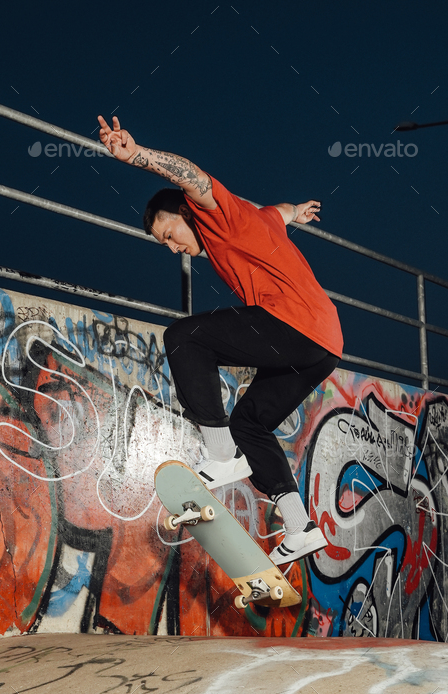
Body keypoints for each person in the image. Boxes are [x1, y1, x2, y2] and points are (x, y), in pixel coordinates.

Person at [98, 115, 343, 565]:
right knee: (251, 422)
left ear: (185, 214)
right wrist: (297, 211)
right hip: (324, 346)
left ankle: (220, 454)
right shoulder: (260, 219)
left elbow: (191, 175)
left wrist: (137, 156)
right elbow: (281, 213)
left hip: (294, 324)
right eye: (164, 246)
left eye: (169, 235)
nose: (173, 249)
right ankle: (299, 526)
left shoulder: (219, 215)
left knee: (184, 337)